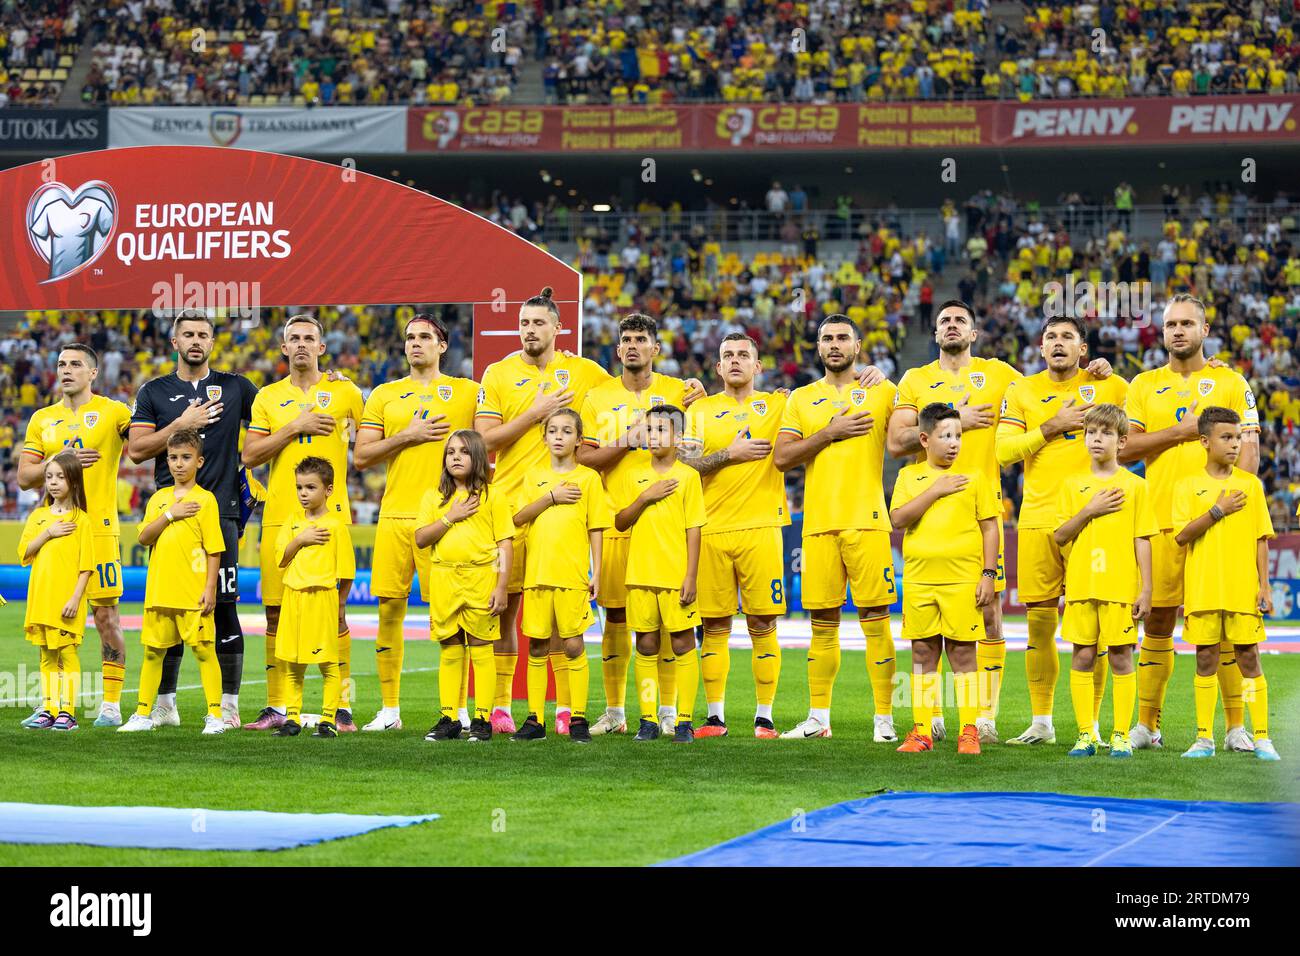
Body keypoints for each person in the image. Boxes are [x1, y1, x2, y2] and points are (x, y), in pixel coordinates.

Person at [890, 299, 1114, 743]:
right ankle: (931, 716)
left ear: (975, 334)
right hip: (930, 509)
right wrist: (961, 418)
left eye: (961, 321)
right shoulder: (915, 379)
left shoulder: (1003, 375)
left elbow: (1051, 381)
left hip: (981, 505)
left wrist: (1098, 368)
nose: (952, 325)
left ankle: (982, 718)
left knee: (988, 613)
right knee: (926, 633)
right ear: (935, 333)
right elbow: (897, 441)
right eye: (944, 321)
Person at [1121, 294, 1260, 750]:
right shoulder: (1142, 385)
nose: (1177, 331)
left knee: (1223, 627)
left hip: (1217, 527)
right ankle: (1148, 726)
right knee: (1157, 623)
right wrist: (1182, 432)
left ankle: (1235, 728)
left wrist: (1232, 507)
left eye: (1186, 324)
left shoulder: (1231, 382)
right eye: (1169, 325)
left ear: (1205, 329)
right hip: (1162, 523)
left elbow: (1250, 456)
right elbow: (1125, 450)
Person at [476, 288, 612, 735]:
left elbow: (624, 393)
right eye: (524, 323)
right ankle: (501, 707)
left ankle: (561, 707)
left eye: (539, 323)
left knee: (559, 618)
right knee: (507, 609)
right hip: (512, 508)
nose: (530, 330)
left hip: (565, 514)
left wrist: (690, 391)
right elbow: (485, 442)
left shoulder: (584, 371)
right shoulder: (498, 373)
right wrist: (534, 413)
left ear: (558, 328)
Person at [996, 316, 1128, 746]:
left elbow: (1140, 422)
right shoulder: (1022, 390)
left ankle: (1091, 729)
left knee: (1095, 628)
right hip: (1038, 518)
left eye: (1067, 337)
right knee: (1039, 624)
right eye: (1050, 337)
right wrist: (1053, 424)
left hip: (1096, 518)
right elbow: (1004, 452)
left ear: (1083, 349)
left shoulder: (1110, 386)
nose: (1057, 343)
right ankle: (1042, 722)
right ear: (1039, 348)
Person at [128, 313, 258, 728]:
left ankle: (228, 705)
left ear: (213, 342)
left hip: (221, 513)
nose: (196, 340)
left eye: (203, 334)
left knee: (222, 606)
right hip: (172, 518)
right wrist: (180, 426)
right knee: (171, 606)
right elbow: (136, 449)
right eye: (188, 333)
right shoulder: (154, 391)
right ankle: (165, 704)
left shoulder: (237, 387)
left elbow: (276, 406)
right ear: (174, 341)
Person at [577, 314, 704, 736]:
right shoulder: (597, 397)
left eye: (641, 339)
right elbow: (586, 459)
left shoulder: (680, 391)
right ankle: (616, 711)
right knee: (618, 619)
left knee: (672, 628)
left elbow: (700, 450)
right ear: (617, 350)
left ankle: (668, 712)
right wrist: (626, 440)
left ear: (656, 349)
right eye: (626, 340)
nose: (632, 346)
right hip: (617, 520)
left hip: (667, 527)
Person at [353, 314, 478, 732]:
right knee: (389, 609)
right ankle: (389, 710)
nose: (415, 344)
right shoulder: (385, 395)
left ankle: (457, 709)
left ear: (443, 345)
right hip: (394, 515)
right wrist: (408, 435)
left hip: (447, 518)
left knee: (451, 615)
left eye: (425, 337)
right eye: (409, 337)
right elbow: (362, 456)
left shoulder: (468, 392)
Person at [774, 315, 897, 741]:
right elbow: (782, 457)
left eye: (842, 337)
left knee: (876, 619)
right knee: (821, 623)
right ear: (818, 347)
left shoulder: (884, 391)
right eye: (826, 338)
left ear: (858, 345)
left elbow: (910, 436)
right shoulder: (802, 399)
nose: (834, 344)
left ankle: (884, 719)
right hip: (820, 524)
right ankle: (818, 719)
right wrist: (830, 432)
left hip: (867, 520)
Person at [241, 315, 363, 732]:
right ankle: (277, 707)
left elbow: (367, 447)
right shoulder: (268, 398)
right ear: (283, 347)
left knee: (339, 612)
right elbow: (251, 455)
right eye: (294, 338)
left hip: (333, 519)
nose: (302, 345)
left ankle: (341, 709)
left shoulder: (345, 390)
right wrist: (296, 426)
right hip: (280, 519)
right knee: (275, 615)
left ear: (322, 348)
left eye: (310, 338)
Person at [681, 333, 788, 739]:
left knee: (763, 622)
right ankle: (715, 718)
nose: (736, 361)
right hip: (710, 529)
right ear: (718, 368)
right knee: (714, 625)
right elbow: (685, 468)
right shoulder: (699, 411)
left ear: (758, 366)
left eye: (744, 355)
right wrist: (730, 453)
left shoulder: (779, 405)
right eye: (728, 355)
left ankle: (765, 717)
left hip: (763, 528)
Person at [19, 345, 133, 726]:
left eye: (75, 364)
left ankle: (112, 704)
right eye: (61, 364)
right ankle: (52, 703)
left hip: (99, 531)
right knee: (53, 620)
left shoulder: (113, 411)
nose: (66, 370)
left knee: (106, 618)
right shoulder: (42, 418)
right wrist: (59, 461)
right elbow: (23, 478)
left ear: (94, 372)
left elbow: (141, 445)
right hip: (55, 534)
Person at [890, 404, 999, 755]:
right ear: (924, 439)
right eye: (945, 436)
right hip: (921, 581)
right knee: (922, 653)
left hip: (962, 582)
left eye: (958, 436)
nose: (954, 443)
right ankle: (921, 730)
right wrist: (936, 489)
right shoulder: (909, 478)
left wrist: (987, 575)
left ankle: (969, 730)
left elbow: (989, 528)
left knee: (963, 654)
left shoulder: (974, 478)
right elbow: (898, 519)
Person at [1172, 408, 1279, 761]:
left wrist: (1264, 586)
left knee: (1249, 658)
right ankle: (1204, 738)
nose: (1235, 445)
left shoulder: (1251, 485)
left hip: (1241, 588)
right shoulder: (1187, 485)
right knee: (1205, 658)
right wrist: (1216, 510)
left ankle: (1261, 736)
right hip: (1203, 587)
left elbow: (1261, 539)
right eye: (1227, 437)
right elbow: (1181, 535)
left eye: (1238, 438)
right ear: (1205, 441)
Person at [1053, 404, 1157, 758]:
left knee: (1121, 658)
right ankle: (1086, 734)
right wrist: (1089, 510)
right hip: (1082, 585)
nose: (1097, 439)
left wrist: (1146, 588)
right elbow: (1059, 535)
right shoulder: (1071, 485)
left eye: (1106, 433)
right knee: (1082, 656)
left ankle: (1120, 735)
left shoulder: (1135, 486)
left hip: (1120, 586)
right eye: (1091, 432)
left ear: (1122, 441)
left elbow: (1142, 539)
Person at [117, 429, 227, 736]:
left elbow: (214, 549)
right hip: (160, 590)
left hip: (192, 593)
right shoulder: (159, 499)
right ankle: (141, 713)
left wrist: (209, 588)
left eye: (186, 458)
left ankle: (215, 716)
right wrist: (171, 514)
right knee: (153, 652)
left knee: (204, 650)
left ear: (199, 461)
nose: (179, 464)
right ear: (167, 460)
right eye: (173, 457)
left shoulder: (206, 501)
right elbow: (143, 537)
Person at [510, 408, 610, 742]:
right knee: (537, 646)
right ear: (544, 437)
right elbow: (520, 516)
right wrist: (551, 497)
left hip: (571, 575)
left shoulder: (588, 479)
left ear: (579, 440)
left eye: (567, 431)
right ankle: (535, 720)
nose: (558, 436)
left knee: (572, 644)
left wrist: (596, 571)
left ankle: (577, 718)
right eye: (553, 431)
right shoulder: (533, 475)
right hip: (537, 573)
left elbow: (596, 527)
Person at [612, 405, 707, 743]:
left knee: (682, 644)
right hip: (639, 574)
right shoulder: (634, 474)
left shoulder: (688, 477)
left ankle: (684, 720)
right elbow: (620, 521)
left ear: (678, 438)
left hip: (674, 574)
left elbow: (694, 530)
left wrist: (691, 577)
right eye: (649, 430)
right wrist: (644, 497)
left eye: (662, 430)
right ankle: (648, 720)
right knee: (646, 645)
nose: (654, 436)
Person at [418, 430, 514, 743]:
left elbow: (504, 544)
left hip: (480, 578)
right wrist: (450, 517)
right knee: (449, 647)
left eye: (463, 451)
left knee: (482, 648)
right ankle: (449, 717)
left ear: (477, 456)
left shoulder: (493, 496)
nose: (456, 457)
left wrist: (501, 586)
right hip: (444, 578)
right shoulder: (434, 498)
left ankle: (482, 718)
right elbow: (420, 538)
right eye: (450, 452)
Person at [270, 457, 356, 739]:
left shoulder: (336, 526)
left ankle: (328, 719)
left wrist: (341, 605)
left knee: (328, 663)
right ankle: (292, 718)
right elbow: (280, 559)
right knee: (293, 662)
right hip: (293, 597)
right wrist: (300, 540)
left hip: (322, 599)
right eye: (299, 487)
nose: (303, 493)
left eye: (310, 487)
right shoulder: (292, 523)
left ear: (328, 490)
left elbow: (347, 572)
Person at [17, 451, 95, 731]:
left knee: (67, 653)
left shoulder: (82, 520)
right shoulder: (38, 517)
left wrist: (76, 597)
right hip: (40, 598)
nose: (53, 482)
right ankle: (49, 709)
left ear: (73, 481)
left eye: (60, 477)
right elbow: (24, 552)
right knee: (46, 656)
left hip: (66, 601)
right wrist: (48, 533)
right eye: (49, 477)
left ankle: (68, 712)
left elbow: (87, 566)